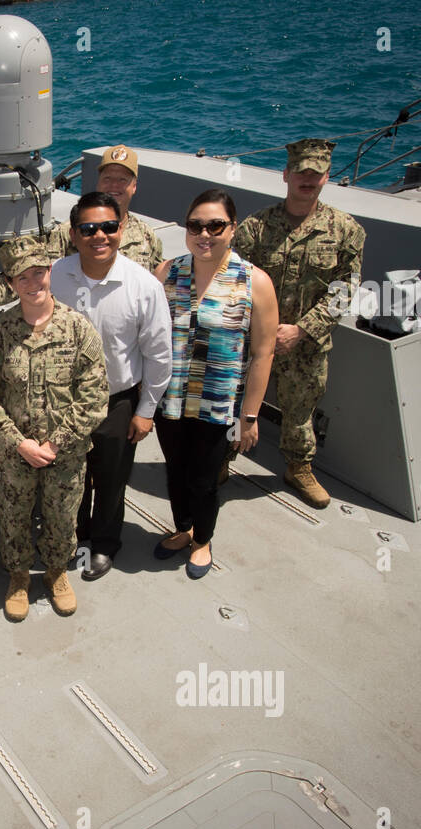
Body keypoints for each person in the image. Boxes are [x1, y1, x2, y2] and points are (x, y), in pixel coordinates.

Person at [0, 236, 108, 621]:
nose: (33, 284)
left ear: (50, 273)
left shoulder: (78, 329)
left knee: (62, 517)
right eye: (22, 278)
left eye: (38, 273)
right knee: (13, 516)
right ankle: (17, 577)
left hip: (64, 455)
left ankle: (56, 572)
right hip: (14, 455)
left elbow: (95, 395)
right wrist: (19, 444)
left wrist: (54, 443)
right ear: (12, 284)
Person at [232, 139, 365, 508]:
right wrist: (258, 328)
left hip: (306, 343)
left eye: (316, 174)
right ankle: (223, 458)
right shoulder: (256, 227)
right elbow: (235, 279)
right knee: (237, 400)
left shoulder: (345, 230)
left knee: (300, 409)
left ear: (326, 178)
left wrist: (302, 329)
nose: (308, 180)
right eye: (301, 173)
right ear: (286, 174)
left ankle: (299, 467)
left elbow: (344, 289)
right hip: (253, 339)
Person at [151, 190, 278, 578]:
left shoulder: (254, 282)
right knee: (174, 470)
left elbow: (262, 354)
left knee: (204, 479)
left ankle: (202, 539)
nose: (204, 234)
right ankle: (182, 528)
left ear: (232, 229)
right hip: (169, 401)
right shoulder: (166, 272)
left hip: (218, 404)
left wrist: (249, 418)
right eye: (195, 225)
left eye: (215, 225)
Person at [49, 192, 173, 581]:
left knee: (110, 479)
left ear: (121, 230)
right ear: (73, 234)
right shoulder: (55, 275)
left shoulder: (143, 286)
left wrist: (145, 410)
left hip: (116, 401)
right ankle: (73, 537)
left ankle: (103, 545)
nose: (98, 235)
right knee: (69, 474)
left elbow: (159, 354)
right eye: (88, 228)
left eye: (108, 227)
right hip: (63, 400)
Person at [0, 145, 165, 308]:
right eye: (107, 178)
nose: (114, 185)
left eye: (122, 179)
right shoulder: (71, 232)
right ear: (98, 182)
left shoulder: (147, 236)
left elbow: (157, 284)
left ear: (134, 186)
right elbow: (35, 272)